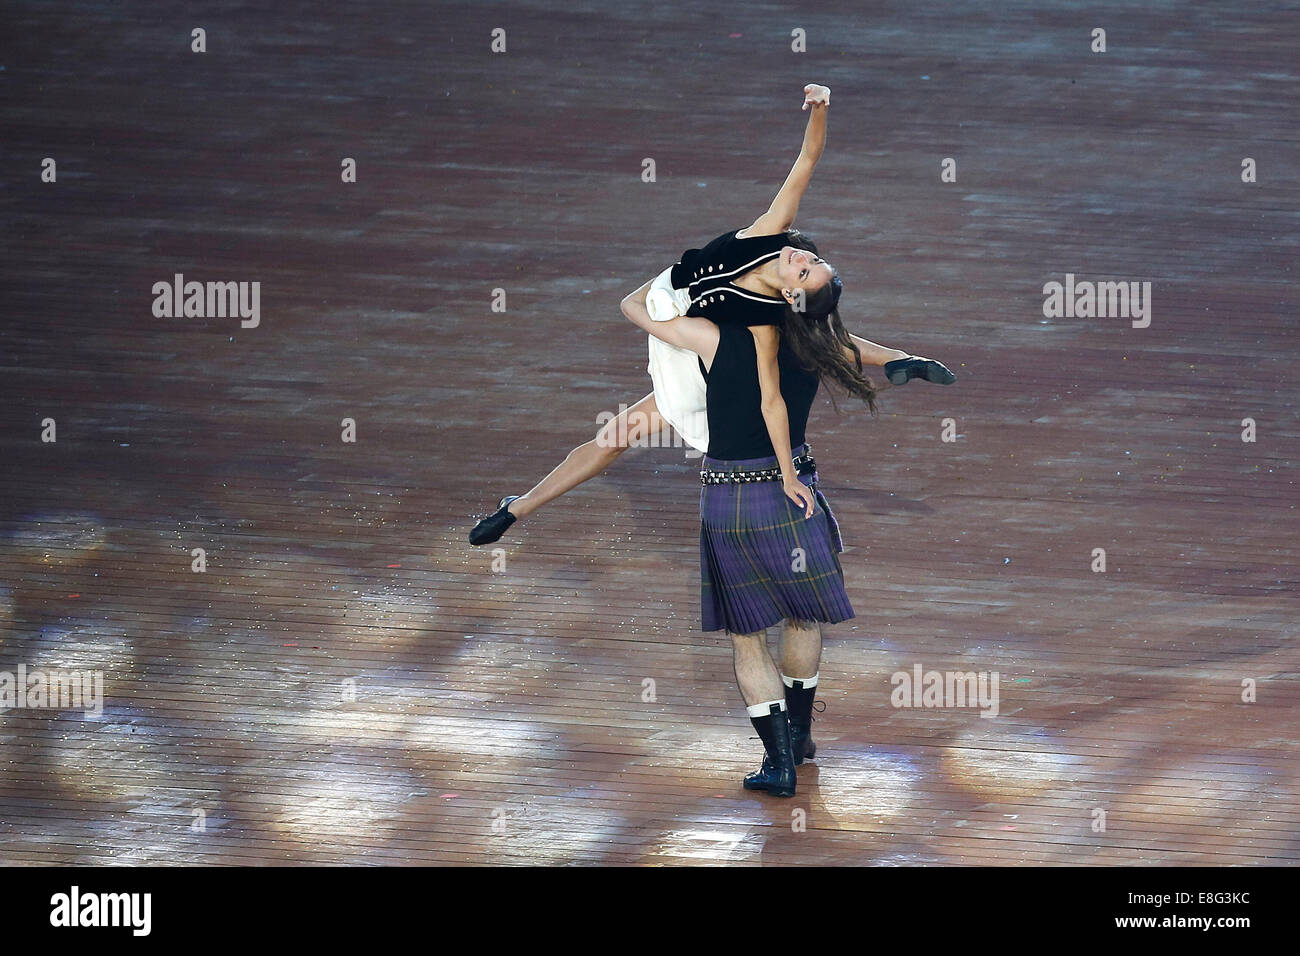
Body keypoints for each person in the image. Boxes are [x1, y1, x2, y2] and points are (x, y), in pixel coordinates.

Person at [469, 83, 955, 547]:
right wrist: (821, 107)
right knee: (620, 434)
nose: (802, 259)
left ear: (790, 294)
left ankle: (520, 505)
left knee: (617, 434)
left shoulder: (766, 319)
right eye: (812, 260)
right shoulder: (772, 233)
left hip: (690, 345)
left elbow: (776, 388)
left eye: (806, 272)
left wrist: (641, 307)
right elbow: (808, 158)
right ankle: (518, 509)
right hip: (683, 319)